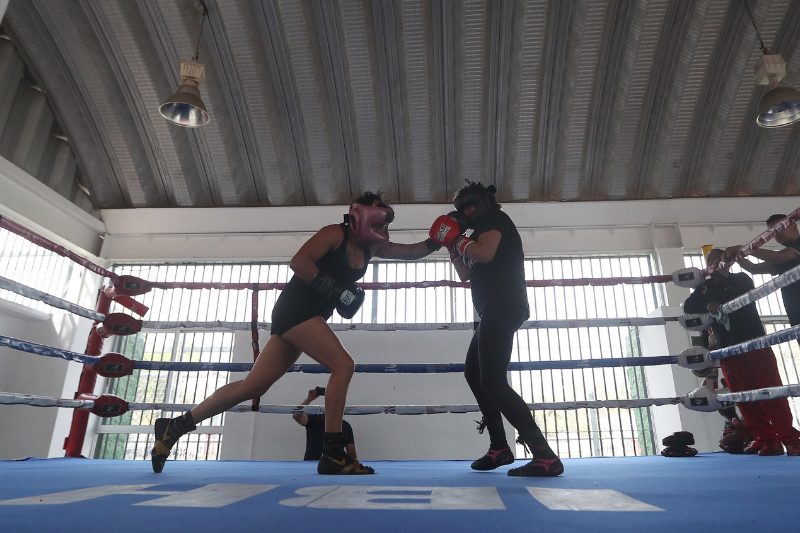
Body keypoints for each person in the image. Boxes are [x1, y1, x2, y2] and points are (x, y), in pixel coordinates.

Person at [150, 192, 441, 475]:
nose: (383, 222)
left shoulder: (371, 247)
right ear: (360, 213)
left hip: (306, 317)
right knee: (343, 365)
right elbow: (299, 262)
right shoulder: (334, 234)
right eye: (378, 210)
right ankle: (333, 452)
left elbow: (412, 252)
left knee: (253, 387)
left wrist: (440, 239)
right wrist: (334, 290)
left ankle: (175, 426)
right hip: (296, 310)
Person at [428, 181, 563, 477]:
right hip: (493, 310)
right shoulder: (472, 235)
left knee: (492, 378)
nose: (467, 212)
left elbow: (486, 254)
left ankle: (544, 455)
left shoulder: (494, 219)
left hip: (504, 305)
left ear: (482, 204)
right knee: (474, 373)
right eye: (462, 209)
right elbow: (465, 274)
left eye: (470, 206)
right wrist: (452, 246)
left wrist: (458, 240)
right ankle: (499, 447)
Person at [683, 248, 800, 455]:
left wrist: (715, 297)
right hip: (727, 349)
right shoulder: (704, 287)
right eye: (710, 263)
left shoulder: (741, 279)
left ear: (726, 262)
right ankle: (766, 438)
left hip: (754, 342)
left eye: (717, 261)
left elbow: (740, 294)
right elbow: (689, 306)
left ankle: (790, 438)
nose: (714, 266)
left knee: (771, 390)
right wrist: (708, 303)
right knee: (742, 395)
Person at [726, 214, 800, 328]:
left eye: (780, 228)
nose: (777, 234)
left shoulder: (788, 253)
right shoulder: (787, 256)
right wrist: (737, 256)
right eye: (773, 233)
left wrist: (743, 248)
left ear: (793, 226)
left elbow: (778, 257)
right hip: (795, 313)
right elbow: (754, 269)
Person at [293, 387, 358, 461]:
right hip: (311, 464)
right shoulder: (315, 420)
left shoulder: (345, 426)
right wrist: (309, 399)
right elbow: (296, 416)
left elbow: (352, 454)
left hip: (334, 465)